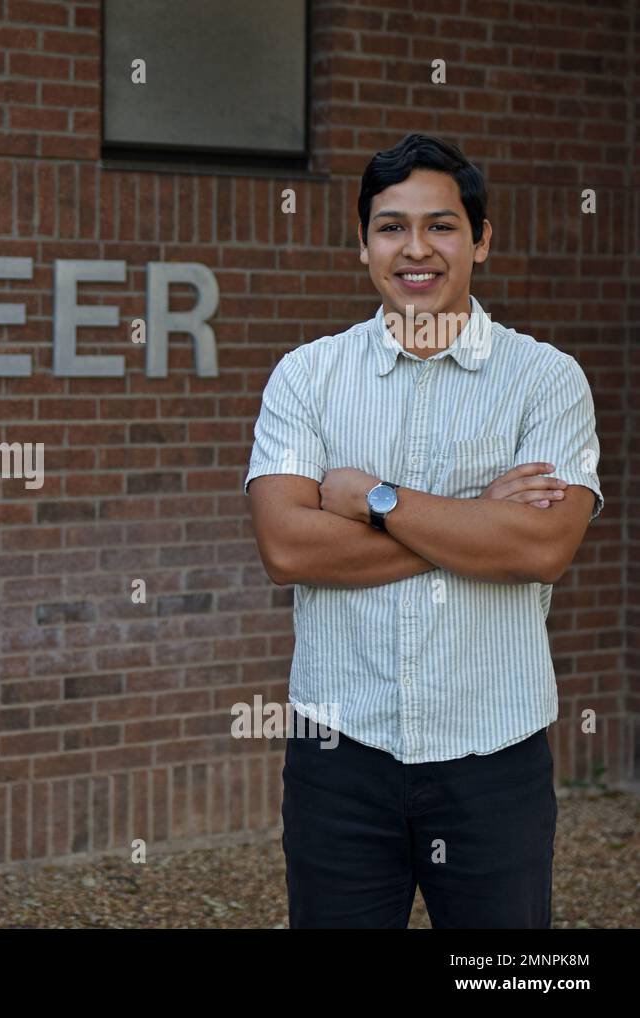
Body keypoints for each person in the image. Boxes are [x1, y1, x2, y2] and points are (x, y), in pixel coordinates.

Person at [243, 133, 604, 928]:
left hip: (494, 756)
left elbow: (541, 548)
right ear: (362, 244)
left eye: (441, 226)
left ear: (480, 240)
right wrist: (474, 520)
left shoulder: (545, 380)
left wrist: (374, 498)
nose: (416, 249)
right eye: (391, 226)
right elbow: (288, 548)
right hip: (339, 756)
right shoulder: (307, 377)